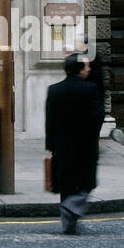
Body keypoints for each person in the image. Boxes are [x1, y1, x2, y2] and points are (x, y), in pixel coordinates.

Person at [45, 52, 102, 235]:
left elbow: (50, 121)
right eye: (86, 66)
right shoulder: (91, 89)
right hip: (85, 145)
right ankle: (71, 207)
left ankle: (68, 225)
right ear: (79, 69)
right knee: (87, 183)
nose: (89, 68)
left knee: (66, 184)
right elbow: (97, 118)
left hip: (62, 145)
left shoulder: (54, 90)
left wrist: (51, 146)